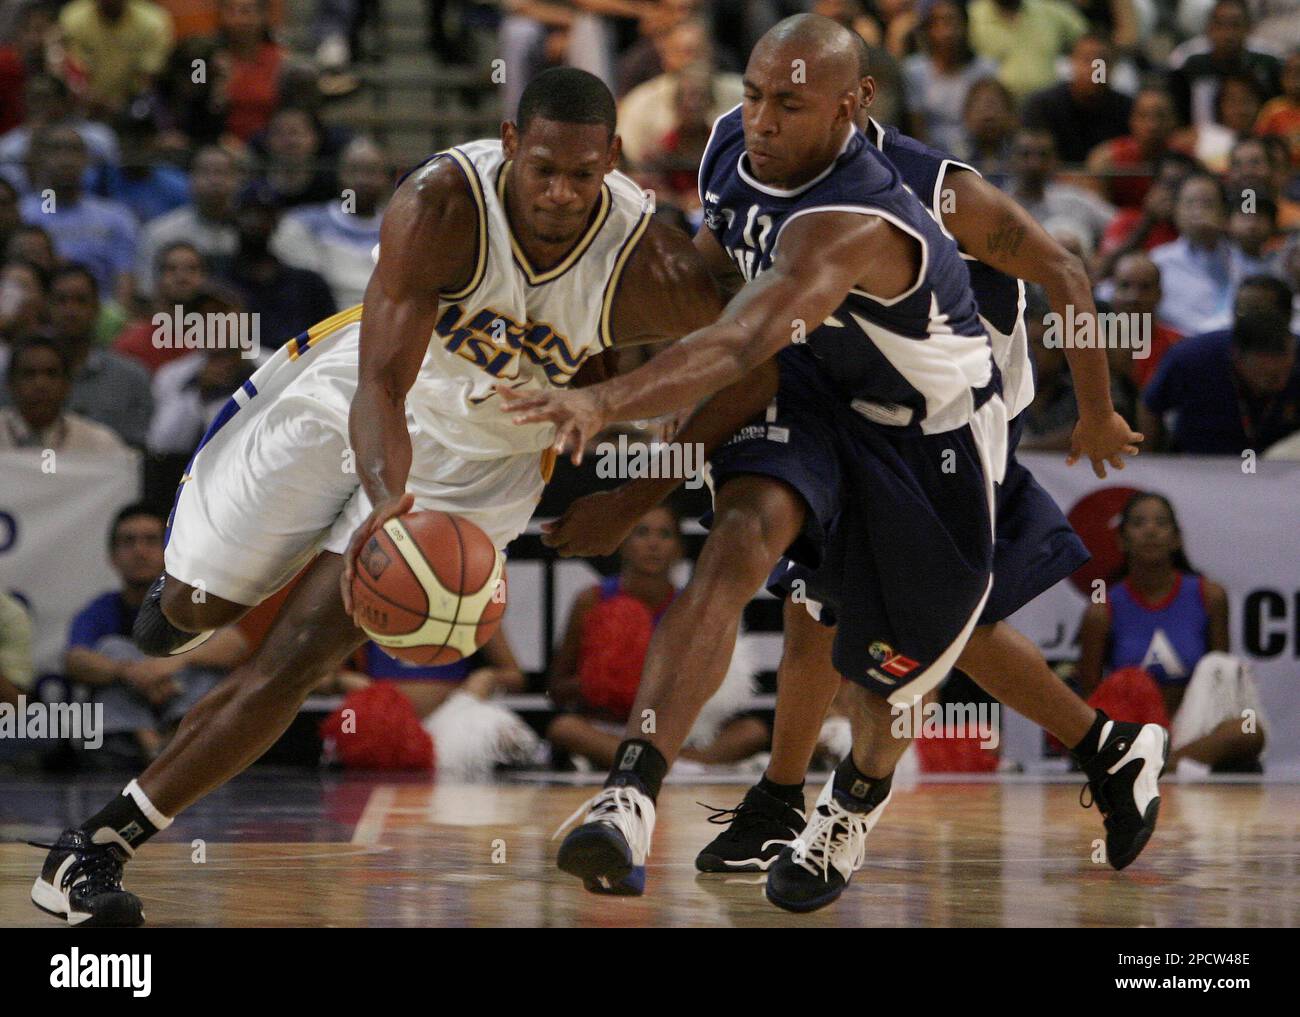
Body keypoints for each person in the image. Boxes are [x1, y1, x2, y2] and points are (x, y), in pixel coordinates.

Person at [29, 67, 727, 928]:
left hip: (485, 461)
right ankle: (189, 592)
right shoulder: (442, 200)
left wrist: (638, 493)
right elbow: (382, 387)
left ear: (612, 162)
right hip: (357, 402)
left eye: (582, 175)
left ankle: (91, 849)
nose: (560, 193)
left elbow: (747, 362)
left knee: (296, 659)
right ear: (509, 144)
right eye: (542, 167)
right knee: (183, 610)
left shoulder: (646, 256)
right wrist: (388, 498)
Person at [504, 15, 1154, 912]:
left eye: (790, 105)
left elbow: (1064, 272)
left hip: (935, 418)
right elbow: (714, 295)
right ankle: (642, 793)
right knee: (750, 549)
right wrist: (593, 352)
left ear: (855, 107)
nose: (762, 121)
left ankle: (910, 785)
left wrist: (1096, 409)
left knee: (892, 643)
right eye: (755, 96)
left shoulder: (907, 196)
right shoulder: (733, 148)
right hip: (815, 377)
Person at [546, 504, 768, 769]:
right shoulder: (591, 600)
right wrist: (598, 683)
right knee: (564, 728)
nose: (653, 543)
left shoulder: (691, 606)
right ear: (622, 542)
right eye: (642, 533)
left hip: (673, 731)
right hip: (612, 727)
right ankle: (682, 767)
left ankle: (665, 764)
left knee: (753, 731)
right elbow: (556, 689)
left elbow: (711, 687)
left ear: (678, 548)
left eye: (664, 535)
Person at [1078, 492, 1265, 772]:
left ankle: (1160, 765)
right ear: (1121, 539)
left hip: (1194, 729)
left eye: (1161, 523)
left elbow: (1219, 680)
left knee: (1249, 732)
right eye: (1139, 523)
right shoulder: (1101, 609)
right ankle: (1159, 761)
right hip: (1133, 731)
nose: (1150, 530)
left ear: (1177, 538)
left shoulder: (1209, 595)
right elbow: (1091, 696)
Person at [63, 505, 247, 764]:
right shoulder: (102, 609)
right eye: (128, 542)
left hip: (184, 708)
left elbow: (235, 644)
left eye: (151, 541)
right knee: (113, 649)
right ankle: (151, 743)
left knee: (204, 663)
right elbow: (75, 659)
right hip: (127, 739)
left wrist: (171, 664)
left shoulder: (191, 601)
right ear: (113, 556)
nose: (139, 550)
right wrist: (130, 672)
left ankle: (173, 739)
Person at [1140, 278, 1300, 455]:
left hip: (1283, 470)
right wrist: (1150, 463)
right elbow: (1151, 405)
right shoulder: (1193, 357)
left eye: (1280, 373)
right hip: (1199, 467)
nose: (1249, 317)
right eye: (1242, 310)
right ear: (1237, 357)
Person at [0, 265, 153, 447]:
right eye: (62, 301)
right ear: (47, 307)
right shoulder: (12, 374)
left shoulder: (131, 378)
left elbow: (137, 455)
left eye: (81, 301)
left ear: (97, 307)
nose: (71, 311)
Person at [0, 336, 128, 451]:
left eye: (52, 374)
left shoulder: (101, 444)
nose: (40, 384)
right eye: (29, 374)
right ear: (10, 384)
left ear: (68, 384)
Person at [1021, 34, 1133, 166]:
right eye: (1086, 60)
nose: (1094, 69)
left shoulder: (1128, 109)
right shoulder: (1042, 105)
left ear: (1113, 66)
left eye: (1102, 61)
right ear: (1071, 62)